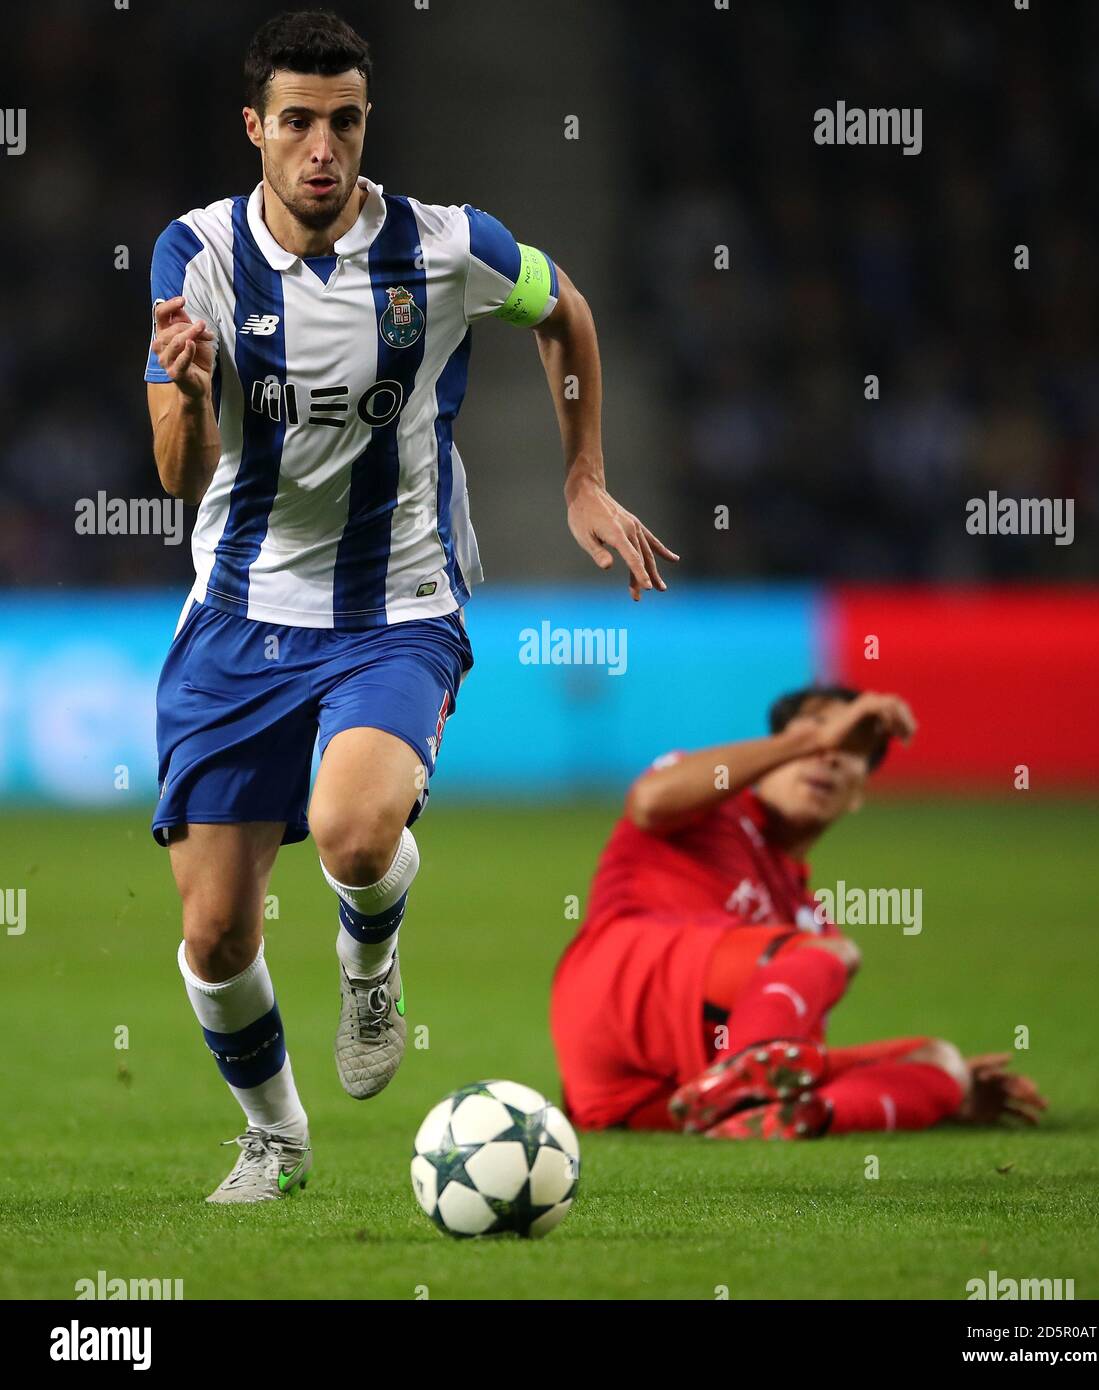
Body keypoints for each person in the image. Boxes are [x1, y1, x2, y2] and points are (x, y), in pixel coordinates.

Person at [145, 9, 676, 1201]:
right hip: (236, 617)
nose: (321, 147)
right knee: (217, 936)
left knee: (353, 829)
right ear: (256, 130)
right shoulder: (195, 255)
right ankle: (276, 1135)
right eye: (297, 123)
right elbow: (177, 475)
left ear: (365, 122)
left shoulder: (447, 247)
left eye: (343, 120)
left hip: (399, 604)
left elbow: (564, 310)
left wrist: (582, 474)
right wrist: (184, 392)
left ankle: (370, 961)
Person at [551, 686, 1046, 1138]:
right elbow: (649, 803)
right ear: (772, 756)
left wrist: (946, 1090)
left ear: (858, 795)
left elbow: (792, 1051)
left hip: (645, 1096)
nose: (828, 755)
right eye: (814, 739)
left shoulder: (808, 921)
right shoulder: (714, 804)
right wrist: (811, 738)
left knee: (942, 1063)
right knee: (829, 955)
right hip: (613, 991)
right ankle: (743, 1084)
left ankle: (786, 1117)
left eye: (850, 747)